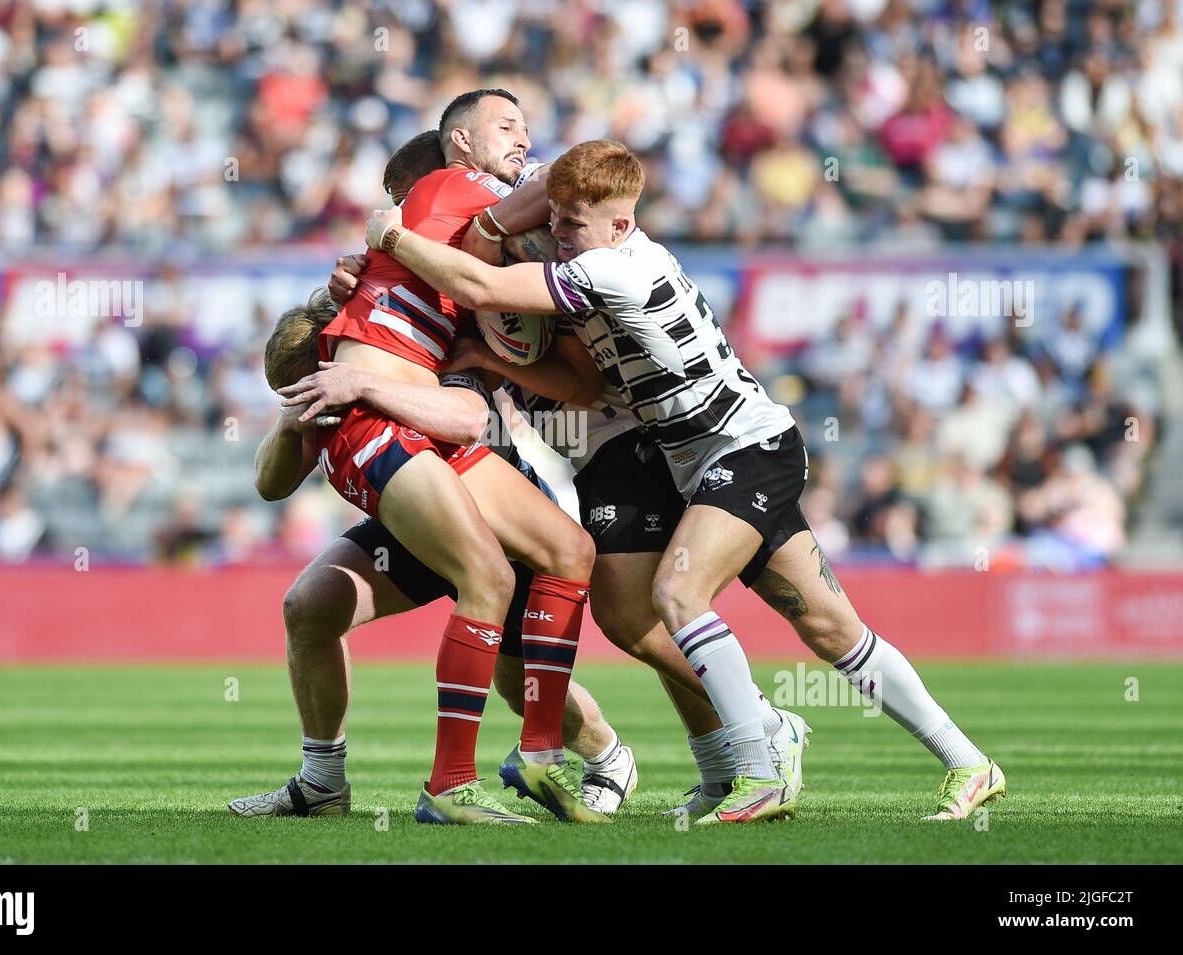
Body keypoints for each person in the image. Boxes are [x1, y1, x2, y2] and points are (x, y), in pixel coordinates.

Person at [366, 139, 1006, 823]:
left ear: (618, 224)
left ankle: (760, 763)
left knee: (675, 592)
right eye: (553, 219)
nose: (556, 233)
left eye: (570, 224)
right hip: (711, 455)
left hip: (746, 447)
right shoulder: (596, 253)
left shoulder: (615, 269)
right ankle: (970, 763)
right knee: (830, 626)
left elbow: (482, 287)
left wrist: (392, 237)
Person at [249, 105, 610, 826]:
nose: (524, 137)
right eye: (506, 125)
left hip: (441, 443)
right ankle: (447, 787)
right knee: (486, 581)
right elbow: (566, 181)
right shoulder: (455, 192)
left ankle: (546, 754)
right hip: (383, 433)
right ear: (461, 150)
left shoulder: (455, 274)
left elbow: (488, 398)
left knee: (571, 549)